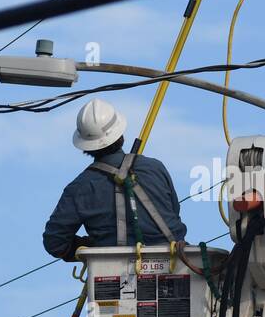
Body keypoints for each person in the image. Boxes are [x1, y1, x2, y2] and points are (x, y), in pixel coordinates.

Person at [42, 98, 187, 261]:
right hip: (177, 265)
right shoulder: (155, 168)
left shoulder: (79, 188)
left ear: (85, 146)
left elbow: (55, 242)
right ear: (120, 134)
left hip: (112, 273)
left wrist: (91, 249)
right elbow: (174, 212)